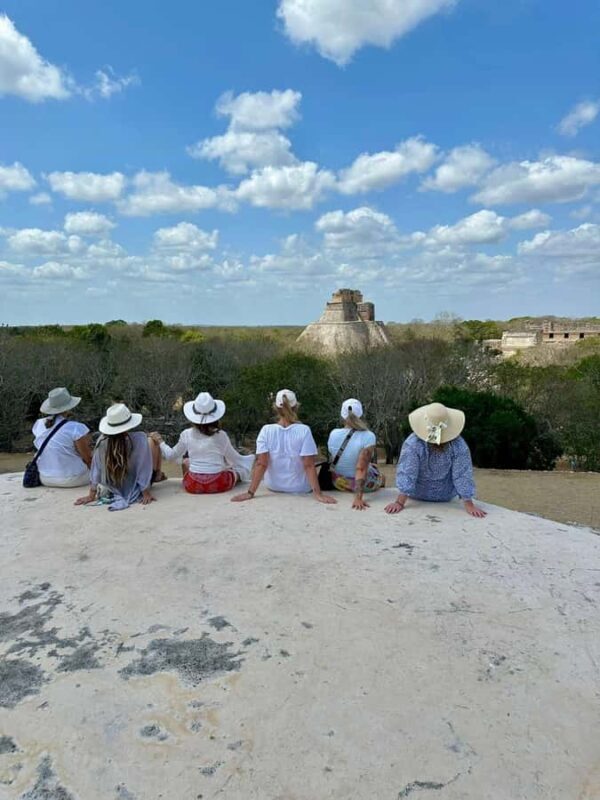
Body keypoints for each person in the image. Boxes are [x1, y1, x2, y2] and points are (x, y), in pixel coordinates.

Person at [232, 389, 336, 504]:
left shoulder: (266, 430)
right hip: (300, 487)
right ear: (296, 407)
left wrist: (250, 492)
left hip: (273, 485)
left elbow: (261, 463)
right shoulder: (304, 430)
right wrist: (318, 494)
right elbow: (309, 465)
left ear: (276, 408)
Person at [385, 402, 486, 518]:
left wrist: (399, 502)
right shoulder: (459, 445)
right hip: (445, 495)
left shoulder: (413, 443)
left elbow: (408, 472)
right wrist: (469, 504)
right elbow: (462, 474)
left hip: (417, 494)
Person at [150, 391, 254, 494]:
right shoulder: (221, 435)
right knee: (238, 471)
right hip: (218, 483)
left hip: (192, 485)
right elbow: (234, 459)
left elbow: (171, 455)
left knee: (186, 461)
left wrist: (160, 441)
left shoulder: (186, 434)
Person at [75, 403, 162, 511]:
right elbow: (142, 467)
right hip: (135, 488)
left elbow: (96, 468)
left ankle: (158, 476)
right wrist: (145, 493)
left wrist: (91, 494)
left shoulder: (102, 441)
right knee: (152, 441)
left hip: (111, 487)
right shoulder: (140, 439)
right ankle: (159, 474)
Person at [327, 398, 385, 510]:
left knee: (372, 467)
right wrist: (358, 498)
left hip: (338, 482)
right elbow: (361, 468)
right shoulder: (368, 436)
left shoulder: (333, 433)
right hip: (361, 485)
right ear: (360, 414)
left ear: (342, 415)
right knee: (382, 477)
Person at [31, 387, 92, 487]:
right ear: (68, 407)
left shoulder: (39, 424)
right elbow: (87, 458)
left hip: (45, 478)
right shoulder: (76, 428)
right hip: (72, 478)